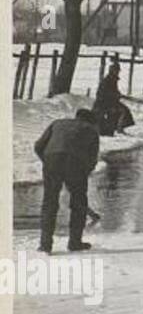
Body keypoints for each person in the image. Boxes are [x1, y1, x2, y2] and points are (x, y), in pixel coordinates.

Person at [34, 108, 101, 253]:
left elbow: (38, 146)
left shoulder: (57, 123)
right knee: (78, 203)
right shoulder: (91, 130)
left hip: (52, 160)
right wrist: (82, 174)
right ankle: (74, 243)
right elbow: (92, 159)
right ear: (91, 121)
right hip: (76, 162)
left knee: (49, 203)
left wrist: (48, 162)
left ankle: (45, 245)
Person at [93, 61, 135, 136]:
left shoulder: (113, 80)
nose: (117, 72)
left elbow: (114, 90)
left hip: (111, 102)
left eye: (118, 71)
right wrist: (115, 95)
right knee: (120, 111)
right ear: (112, 71)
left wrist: (117, 94)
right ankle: (118, 128)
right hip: (103, 103)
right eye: (116, 71)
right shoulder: (106, 80)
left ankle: (120, 127)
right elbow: (103, 93)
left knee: (125, 110)